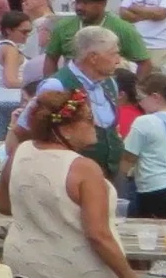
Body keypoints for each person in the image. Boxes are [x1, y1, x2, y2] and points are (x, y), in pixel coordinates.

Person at [0, 89, 139, 278]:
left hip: (30, 267)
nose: (95, 125)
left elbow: (2, 204)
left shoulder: (21, 151)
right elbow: (98, 235)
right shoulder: (84, 169)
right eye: (88, 119)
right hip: (85, 275)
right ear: (63, 128)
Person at [30, 25, 127, 181]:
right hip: (72, 176)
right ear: (93, 57)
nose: (118, 60)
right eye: (113, 54)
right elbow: (32, 130)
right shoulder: (57, 85)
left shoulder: (110, 83)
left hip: (112, 173)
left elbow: (112, 128)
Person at [45, 0, 149, 75]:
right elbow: (51, 58)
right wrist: (51, 85)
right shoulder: (63, 26)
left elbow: (144, 63)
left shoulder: (123, 28)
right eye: (77, 2)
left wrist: (133, 90)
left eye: (85, 3)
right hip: (72, 86)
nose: (79, 7)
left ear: (103, 4)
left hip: (109, 87)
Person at [126, 72, 166, 217]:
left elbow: (128, 158)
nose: (139, 103)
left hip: (154, 187)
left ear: (156, 97)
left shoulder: (144, 122)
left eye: (140, 98)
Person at [0, 11, 31, 139]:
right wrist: (32, 84)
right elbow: (10, 81)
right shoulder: (10, 50)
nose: (27, 36)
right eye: (23, 32)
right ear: (9, 30)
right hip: (12, 100)